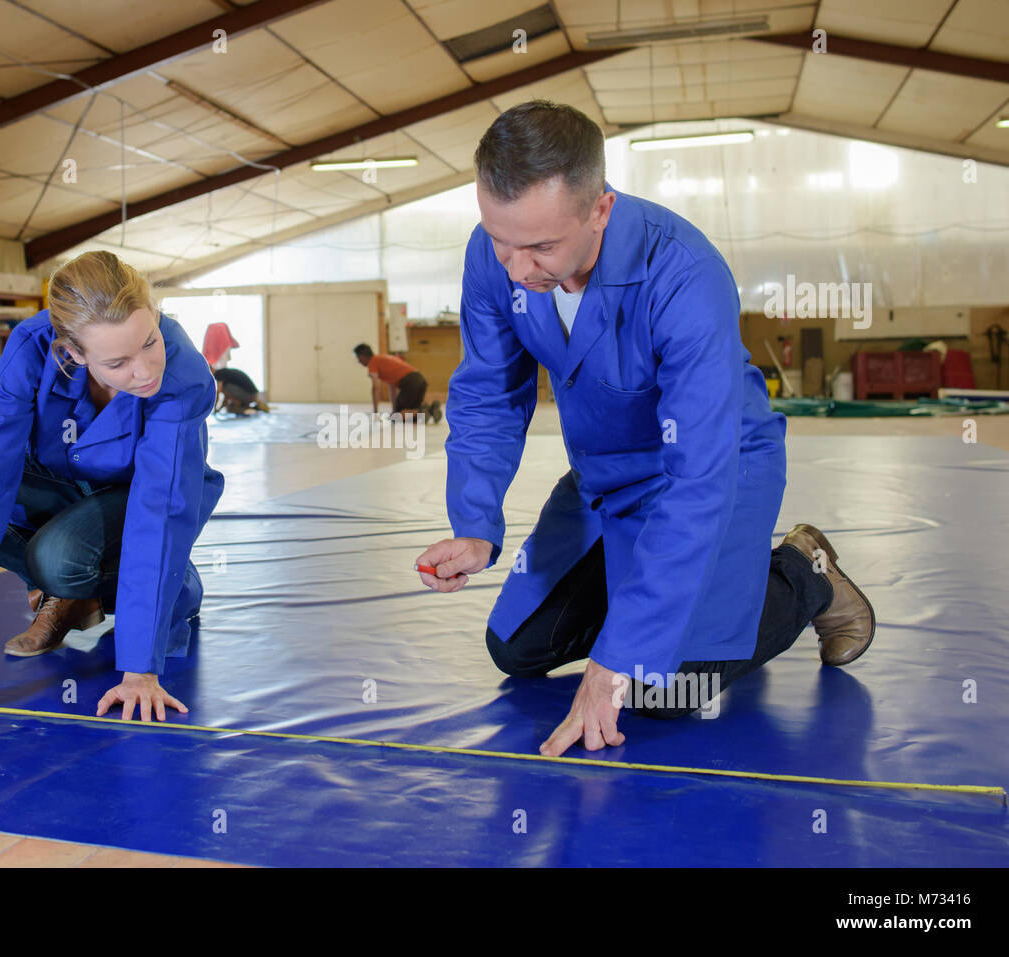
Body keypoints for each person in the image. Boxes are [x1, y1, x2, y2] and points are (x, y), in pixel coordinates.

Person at [414, 101, 876, 756]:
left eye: (541, 247)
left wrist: (620, 658)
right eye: (500, 240)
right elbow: (491, 390)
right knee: (517, 648)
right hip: (606, 479)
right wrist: (474, 520)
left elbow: (699, 477)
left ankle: (806, 572)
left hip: (716, 468)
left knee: (663, 690)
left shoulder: (684, 273)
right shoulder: (495, 256)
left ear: (599, 209)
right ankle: (654, 602)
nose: (516, 269)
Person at [0, 250, 223, 729]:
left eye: (149, 342)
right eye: (118, 361)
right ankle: (73, 589)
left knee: (59, 559)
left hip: (135, 502)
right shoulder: (32, 349)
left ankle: (159, 585)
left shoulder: (182, 376)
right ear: (72, 353)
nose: (145, 371)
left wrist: (139, 669)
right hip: (63, 486)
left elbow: (158, 510)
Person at [353, 343, 441, 423]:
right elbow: (392, 389)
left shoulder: (373, 362)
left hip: (410, 382)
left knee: (397, 417)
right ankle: (430, 409)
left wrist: (375, 412)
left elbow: (376, 388)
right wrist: (394, 409)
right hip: (420, 380)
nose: (358, 361)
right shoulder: (383, 359)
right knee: (409, 416)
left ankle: (421, 411)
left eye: (358, 358)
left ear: (362, 356)